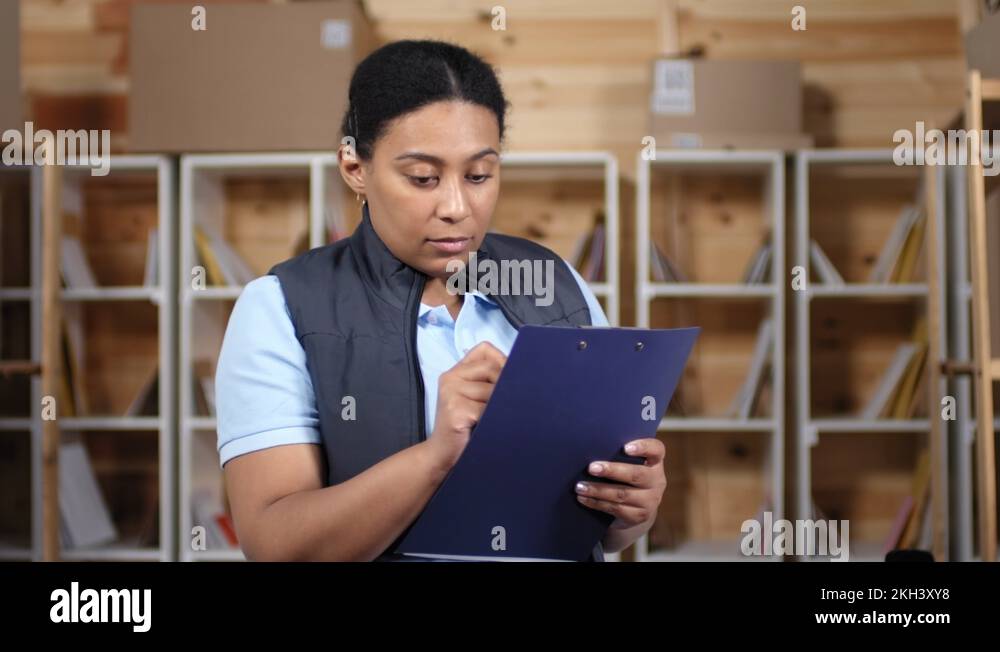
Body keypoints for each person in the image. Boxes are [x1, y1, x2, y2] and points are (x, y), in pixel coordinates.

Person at [215, 39, 667, 561]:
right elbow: (276, 547)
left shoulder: (554, 282)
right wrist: (437, 456)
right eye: (423, 178)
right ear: (354, 167)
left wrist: (632, 508)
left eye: (479, 175)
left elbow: (603, 530)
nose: (457, 207)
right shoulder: (281, 307)